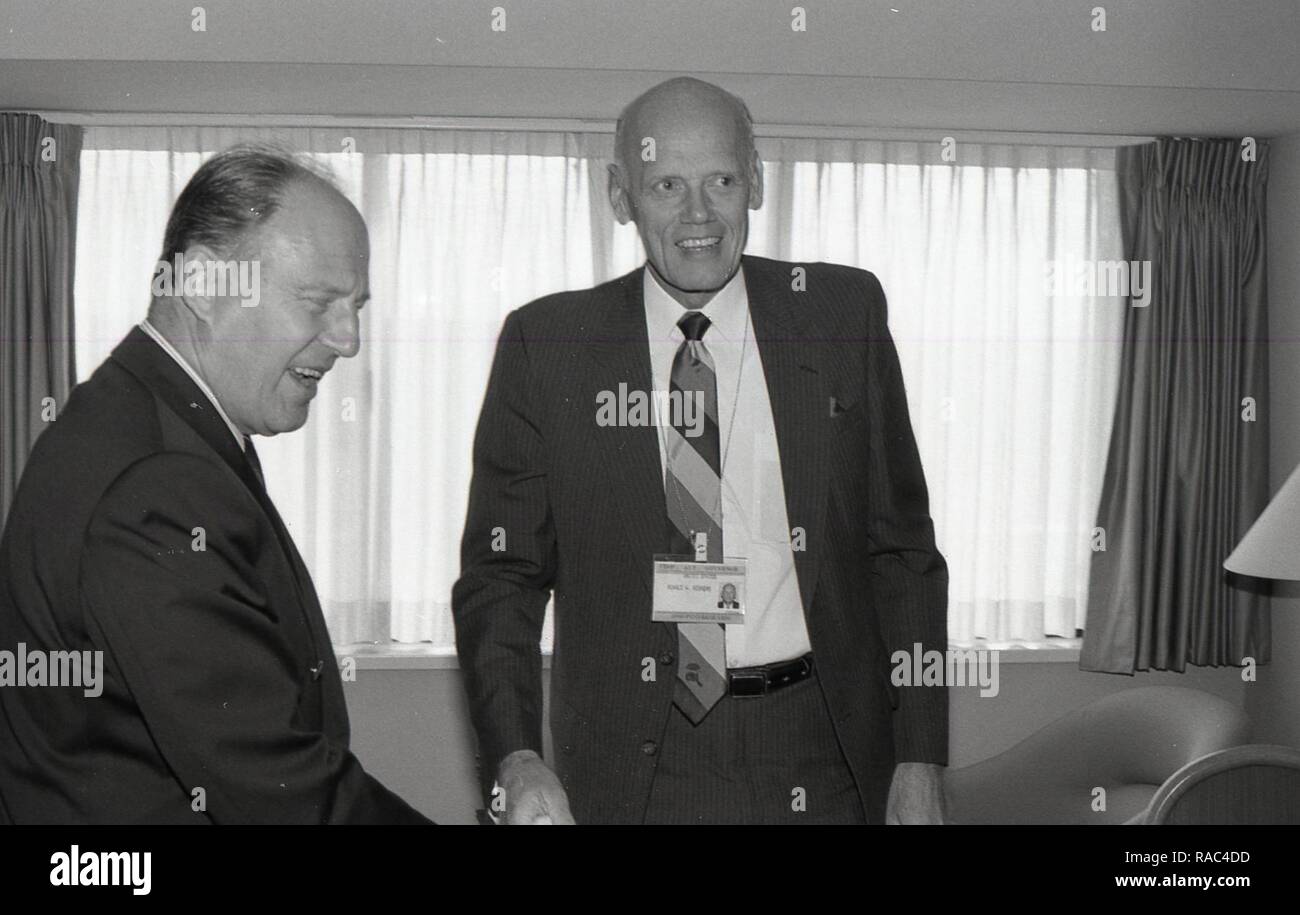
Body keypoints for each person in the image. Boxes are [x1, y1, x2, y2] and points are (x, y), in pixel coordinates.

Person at [454, 77, 949, 825]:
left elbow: (903, 553)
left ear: (755, 180)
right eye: (665, 185)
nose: (697, 215)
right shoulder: (547, 346)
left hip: (824, 746)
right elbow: (502, 580)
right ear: (620, 195)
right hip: (638, 763)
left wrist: (918, 758)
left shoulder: (842, 314)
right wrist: (518, 758)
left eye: (720, 179)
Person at [0, 145, 432, 824]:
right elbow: (275, 790)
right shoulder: (156, 481)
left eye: (357, 307)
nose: (348, 340)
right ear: (202, 283)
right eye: (319, 302)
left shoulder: (149, 420)